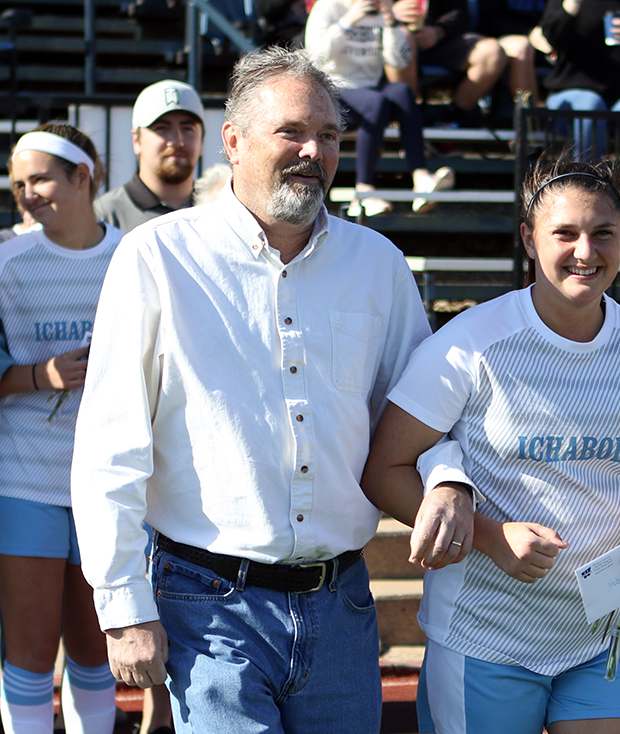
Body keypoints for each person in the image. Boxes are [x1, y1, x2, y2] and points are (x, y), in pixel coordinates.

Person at [70, 46, 434, 733]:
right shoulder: (156, 257)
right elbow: (110, 443)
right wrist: (123, 606)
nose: (313, 151)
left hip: (342, 600)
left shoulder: (378, 265)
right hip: (206, 604)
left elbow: (423, 415)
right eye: (292, 132)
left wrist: (445, 481)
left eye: (328, 135)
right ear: (233, 141)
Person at [361, 156, 620, 734]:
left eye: (602, 233)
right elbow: (384, 468)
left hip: (607, 632)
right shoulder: (469, 344)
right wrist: (488, 535)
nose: (585, 252)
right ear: (529, 240)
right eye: (564, 233)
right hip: (484, 634)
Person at [0, 123, 124, 734]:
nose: (27, 193)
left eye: (41, 178)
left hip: (113, 487)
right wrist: (37, 375)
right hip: (24, 479)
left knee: (96, 655)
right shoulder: (5, 261)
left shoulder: (137, 256)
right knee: (26, 660)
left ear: (85, 175)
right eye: (19, 183)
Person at [305, 0, 456, 218]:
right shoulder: (329, 7)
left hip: (369, 89)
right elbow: (314, 57)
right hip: (332, 91)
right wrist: (348, 21)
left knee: (401, 92)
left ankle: (421, 177)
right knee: (375, 102)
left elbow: (399, 60)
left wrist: (392, 25)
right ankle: (364, 190)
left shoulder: (381, 11)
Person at [541, 0, 620, 181]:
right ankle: (586, 186)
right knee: (590, 103)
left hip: (619, 97)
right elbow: (553, 38)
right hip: (570, 93)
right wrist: (572, 6)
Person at [95, 80, 205, 232]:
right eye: (161, 128)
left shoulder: (218, 211)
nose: (176, 141)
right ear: (136, 140)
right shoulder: (104, 216)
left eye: (187, 128)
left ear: (202, 140)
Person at [388, 0, 512, 125]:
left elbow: (460, 15)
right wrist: (391, 13)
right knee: (402, 39)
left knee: (492, 52)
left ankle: (451, 120)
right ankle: (405, 120)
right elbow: (368, 13)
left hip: (440, 42)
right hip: (389, 40)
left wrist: (438, 31)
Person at [476, 0, 552, 107]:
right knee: (522, 48)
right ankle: (529, 118)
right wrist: (530, 33)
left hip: (546, 37)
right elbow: (489, 19)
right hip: (506, 39)